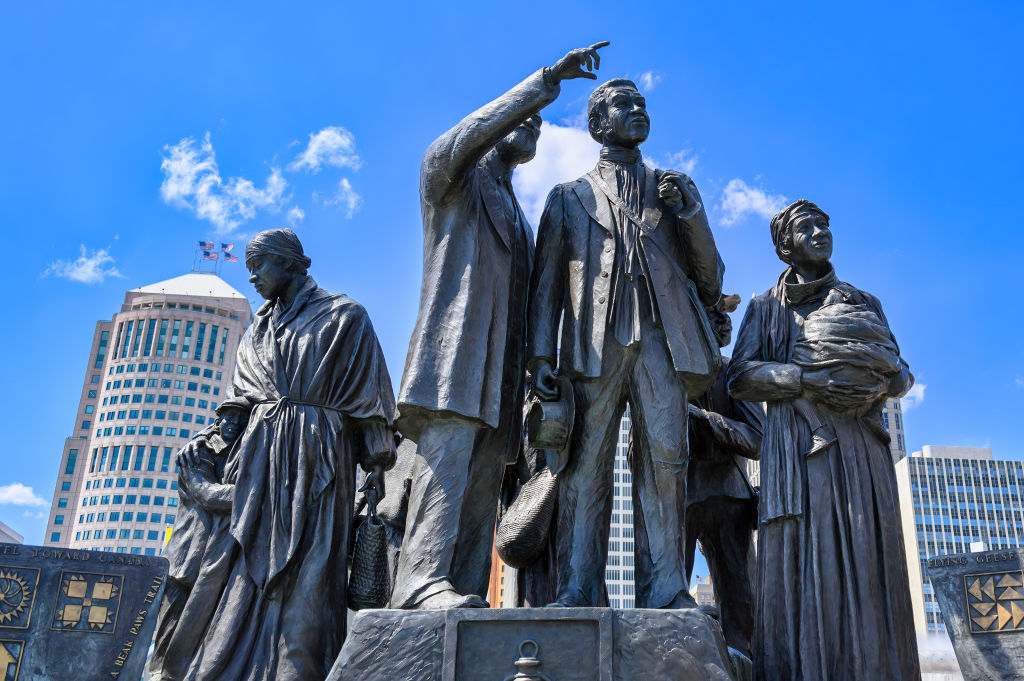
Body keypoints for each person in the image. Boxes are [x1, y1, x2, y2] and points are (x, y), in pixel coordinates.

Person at [390, 42, 609, 610]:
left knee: (485, 479)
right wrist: (544, 83)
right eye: (524, 121)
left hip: (504, 374)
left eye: (539, 124)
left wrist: (538, 365)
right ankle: (418, 582)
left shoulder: (516, 210)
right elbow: (469, 134)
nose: (533, 128)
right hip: (457, 359)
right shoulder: (450, 179)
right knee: (446, 466)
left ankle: (458, 589)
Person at [527, 78, 724, 608]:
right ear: (596, 124)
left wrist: (691, 214)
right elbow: (546, 284)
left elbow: (711, 281)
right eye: (623, 104)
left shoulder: (674, 189)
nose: (637, 110)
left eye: (642, 103)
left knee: (666, 459)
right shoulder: (569, 197)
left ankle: (665, 588)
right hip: (593, 346)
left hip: (663, 342)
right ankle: (578, 586)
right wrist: (541, 355)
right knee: (586, 463)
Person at [175, 228, 396, 681]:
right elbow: (240, 401)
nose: (253, 276)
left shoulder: (344, 316)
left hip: (318, 459)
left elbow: (369, 399)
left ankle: (298, 670)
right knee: (237, 576)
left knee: (310, 578)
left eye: (260, 265)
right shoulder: (257, 327)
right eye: (249, 266)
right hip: (255, 463)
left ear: (290, 262)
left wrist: (376, 464)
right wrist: (213, 438)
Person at [727, 200, 920, 680]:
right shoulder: (766, 307)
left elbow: (903, 374)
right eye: (806, 227)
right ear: (784, 246)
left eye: (824, 225)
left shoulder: (865, 303)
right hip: (800, 452)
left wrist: (880, 381)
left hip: (861, 448)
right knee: (807, 562)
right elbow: (740, 378)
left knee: (867, 554)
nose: (819, 232)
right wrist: (807, 380)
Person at [681, 294, 762, 658]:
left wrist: (707, 421)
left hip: (730, 499)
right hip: (681, 497)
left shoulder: (732, 375)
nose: (724, 322)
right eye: (713, 316)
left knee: (740, 601)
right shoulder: (673, 376)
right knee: (668, 598)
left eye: (724, 316)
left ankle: (745, 665)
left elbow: (759, 439)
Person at [150, 397, 251, 681]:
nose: (233, 425)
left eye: (240, 421)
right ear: (217, 421)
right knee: (170, 635)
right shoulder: (198, 452)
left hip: (215, 557)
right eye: (228, 419)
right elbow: (206, 494)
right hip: (187, 555)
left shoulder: (239, 454)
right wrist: (258, 493)